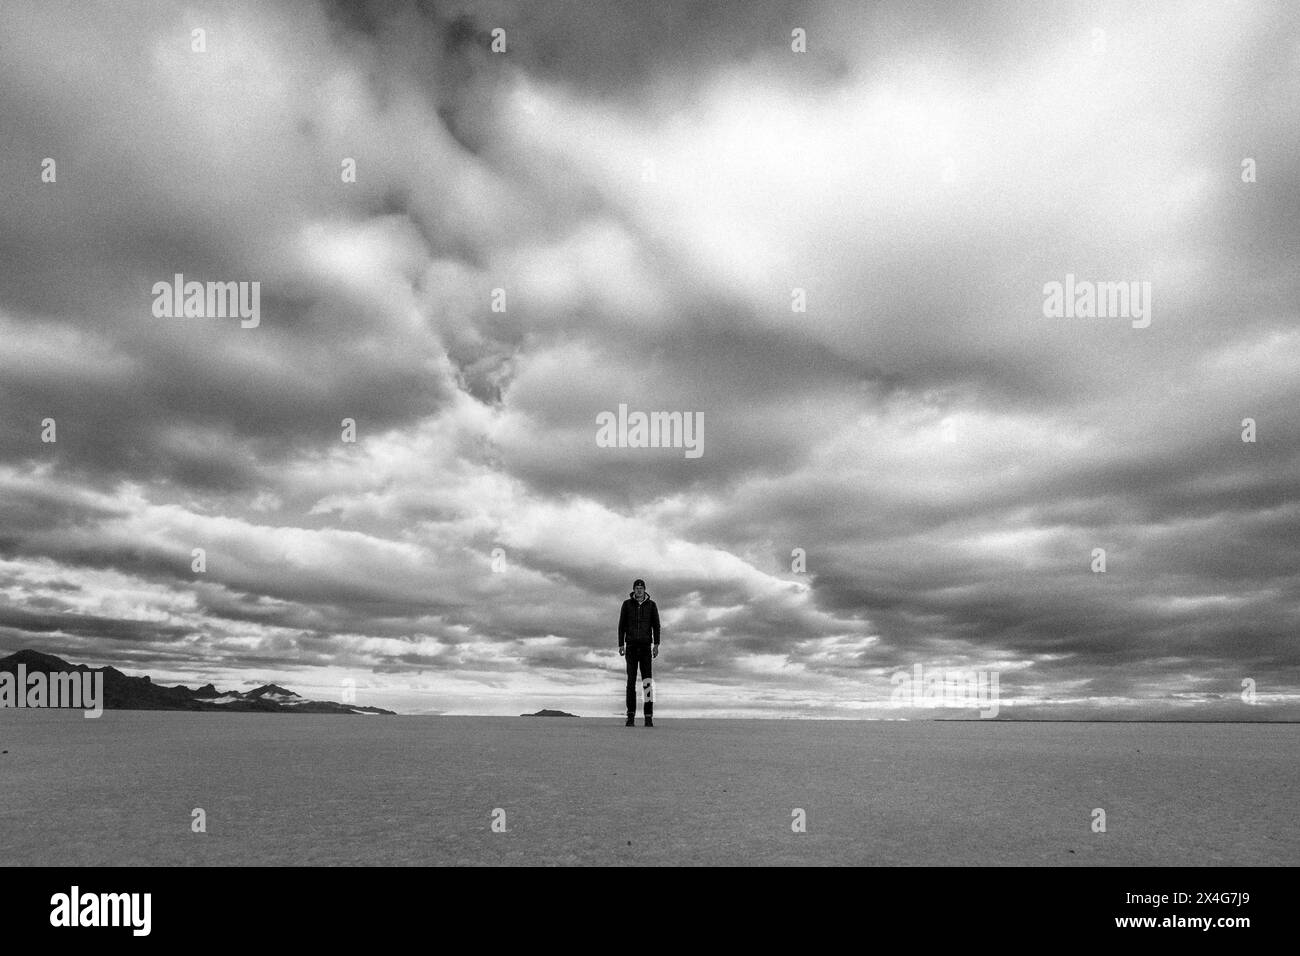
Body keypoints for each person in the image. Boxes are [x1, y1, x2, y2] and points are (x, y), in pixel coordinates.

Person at [618, 578, 660, 727]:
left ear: (645, 590)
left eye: (641, 588)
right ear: (633, 590)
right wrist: (620, 644)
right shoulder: (627, 605)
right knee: (631, 682)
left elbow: (656, 625)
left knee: (647, 682)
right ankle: (630, 716)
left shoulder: (651, 605)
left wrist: (656, 644)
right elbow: (621, 625)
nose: (639, 590)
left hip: (645, 648)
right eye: (636, 588)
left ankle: (648, 717)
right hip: (630, 647)